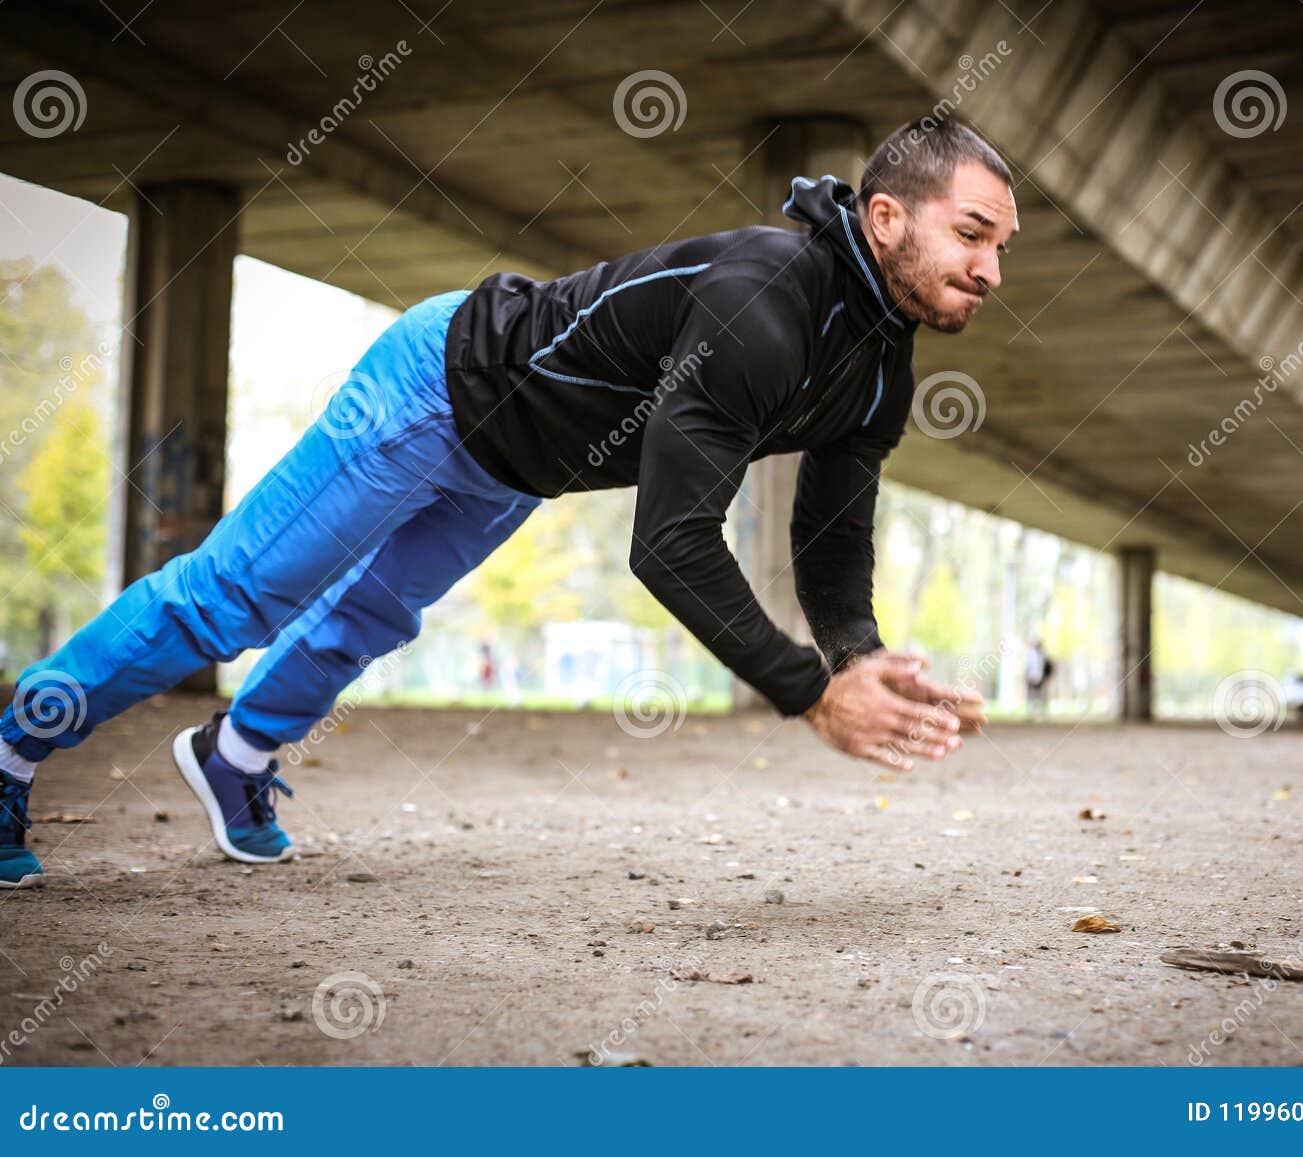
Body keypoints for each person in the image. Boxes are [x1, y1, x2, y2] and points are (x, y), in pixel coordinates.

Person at [0, 117, 1014, 888]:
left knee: (372, 618)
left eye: (1002, 245)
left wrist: (855, 653)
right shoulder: (763, 295)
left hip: (521, 465)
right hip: (439, 381)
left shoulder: (879, 373)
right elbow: (668, 542)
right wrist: (806, 687)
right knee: (238, 595)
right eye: (972, 233)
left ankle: (238, 752)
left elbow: (832, 531)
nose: (991, 268)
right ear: (887, 217)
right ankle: (16, 748)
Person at [1024, 638, 1053, 716]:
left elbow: (1048, 666)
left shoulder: (1044, 655)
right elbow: (1027, 666)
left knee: (1042, 696)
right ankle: (1031, 712)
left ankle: (1043, 712)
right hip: (1031, 677)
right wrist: (1026, 676)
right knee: (1031, 696)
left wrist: (1047, 677)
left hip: (1042, 677)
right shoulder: (1030, 654)